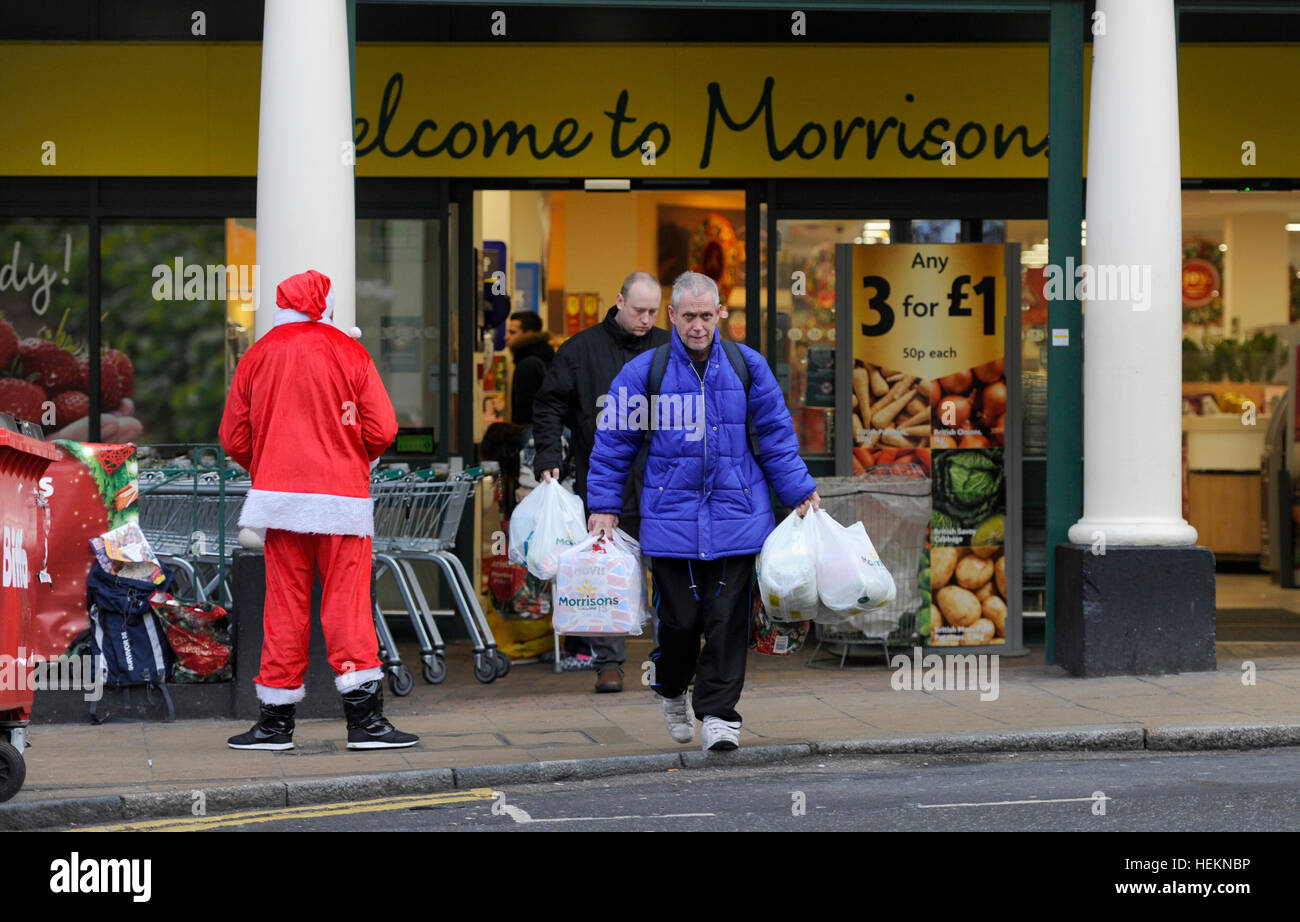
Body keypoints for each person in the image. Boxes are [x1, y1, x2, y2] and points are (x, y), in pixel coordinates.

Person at [586, 271, 820, 751]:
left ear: (721, 315)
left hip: (739, 517)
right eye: (688, 316)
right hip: (670, 521)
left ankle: (719, 715)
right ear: (672, 316)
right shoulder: (643, 373)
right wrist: (604, 506)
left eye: (706, 316)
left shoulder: (747, 367)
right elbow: (612, 444)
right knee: (680, 624)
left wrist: (798, 489)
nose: (697, 326)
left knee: (726, 623)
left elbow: (777, 436)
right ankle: (671, 687)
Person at [219, 269, 419, 751]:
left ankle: (274, 725)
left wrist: (266, 465)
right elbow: (384, 427)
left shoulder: (258, 355)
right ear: (324, 305)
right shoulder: (349, 351)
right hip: (342, 501)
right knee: (346, 606)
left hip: (281, 501)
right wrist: (356, 456)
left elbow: (233, 437)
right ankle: (365, 722)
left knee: (283, 608)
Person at [532, 271, 670, 693]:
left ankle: (668, 661)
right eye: (638, 310)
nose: (645, 318)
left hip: (663, 482)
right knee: (606, 573)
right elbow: (549, 404)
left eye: (652, 311)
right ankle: (608, 663)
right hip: (604, 479)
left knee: (666, 575)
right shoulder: (581, 350)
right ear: (619, 301)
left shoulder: (672, 347)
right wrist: (549, 455)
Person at [505, 310, 553, 425]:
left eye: (512, 332)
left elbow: (524, 412)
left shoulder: (528, 364)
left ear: (529, 334)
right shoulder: (546, 356)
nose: (507, 337)